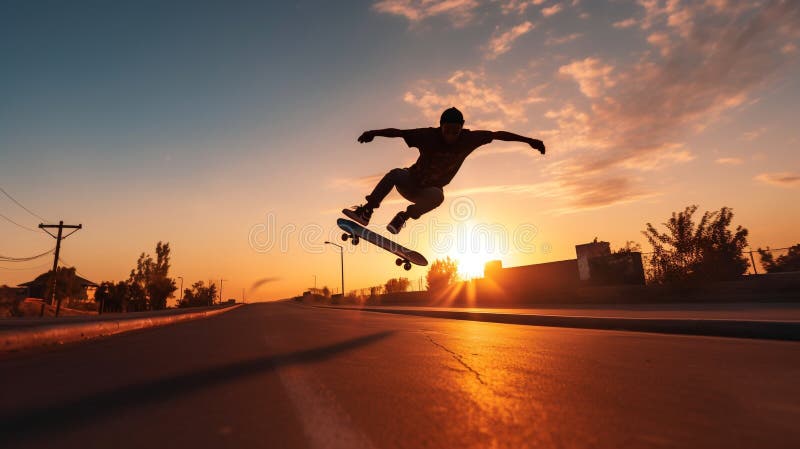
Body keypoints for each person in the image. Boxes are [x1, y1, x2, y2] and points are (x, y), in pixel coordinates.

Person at [343, 107, 546, 234]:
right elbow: (399, 132)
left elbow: (499, 135)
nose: (450, 135)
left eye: (455, 131)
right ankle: (366, 211)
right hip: (410, 182)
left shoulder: (470, 139)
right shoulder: (427, 135)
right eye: (447, 130)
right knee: (396, 173)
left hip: (427, 193)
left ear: (462, 127)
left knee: (438, 196)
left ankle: (403, 217)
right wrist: (373, 133)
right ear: (440, 126)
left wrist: (530, 141)